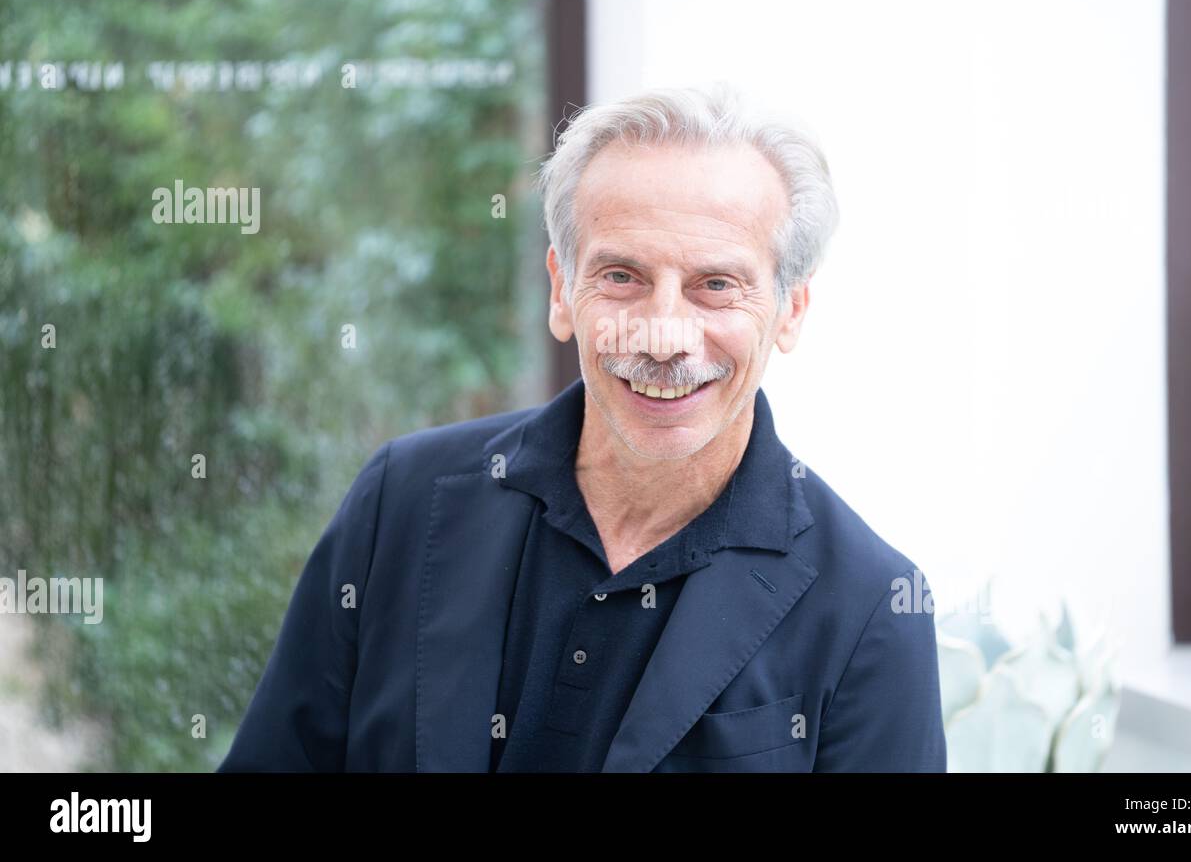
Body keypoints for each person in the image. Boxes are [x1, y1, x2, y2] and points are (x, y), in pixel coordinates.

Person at [217, 82, 947, 772]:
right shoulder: (400, 501)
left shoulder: (871, 608)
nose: (664, 337)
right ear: (562, 291)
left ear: (789, 312)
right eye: (622, 277)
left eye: (715, 285)